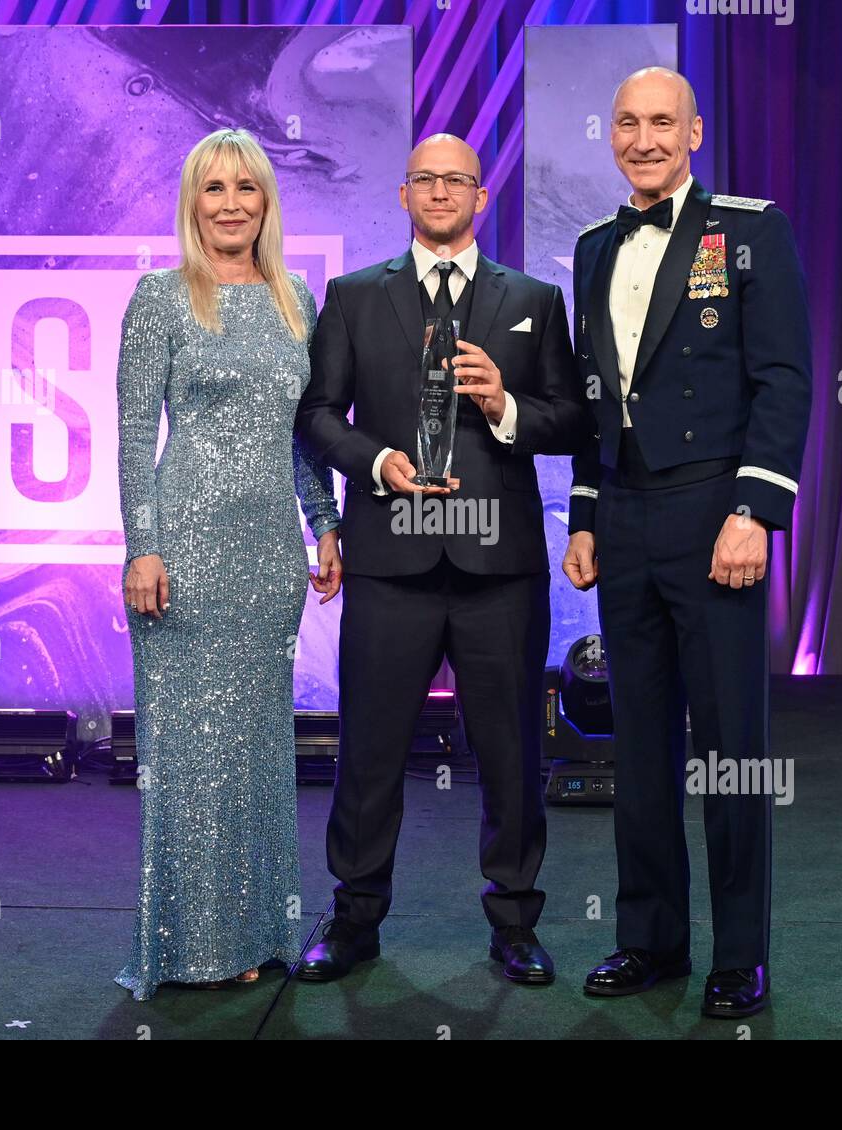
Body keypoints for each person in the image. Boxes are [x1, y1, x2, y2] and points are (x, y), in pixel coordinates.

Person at [294, 133, 586, 985]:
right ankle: (353, 922)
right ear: (404, 194)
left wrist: (505, 407)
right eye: (426, 179)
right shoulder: (351, 298)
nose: (441, 192)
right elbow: (317, 415)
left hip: (501, 564)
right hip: (391, 559)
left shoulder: (534, 299)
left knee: (511, 752)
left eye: (458, 179)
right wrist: (377, 463)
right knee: (371, 750)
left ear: (482, 198)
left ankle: (515, 922)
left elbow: (570, 419)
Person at [563, 68, 811, 1018]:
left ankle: (740, 953)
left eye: (661, 121)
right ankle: (650, 940)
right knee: (642, 748)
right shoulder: (590, 248)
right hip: (623, 521)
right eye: (627, 122)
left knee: (731, 748)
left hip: (717, 518)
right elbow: (593, 396)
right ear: (612, 135)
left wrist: (754, 509)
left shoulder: (749, 228)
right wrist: (584, 512)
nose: (643, 137)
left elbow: (785, 378)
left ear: (695, 131)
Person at [113, 128, 342, 1000]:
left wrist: (324, 524)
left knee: (253, 751)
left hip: (267, 561)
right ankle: (187, 946)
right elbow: (137, 436)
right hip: (184, 554)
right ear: (192, 202)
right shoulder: (162, 299)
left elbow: (303, 437)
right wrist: (143, 545)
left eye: (247, 188)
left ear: (267, 202)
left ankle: (256, 933)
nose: (232, 203)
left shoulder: (296, 303)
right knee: (188, 756)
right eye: (215, 189)